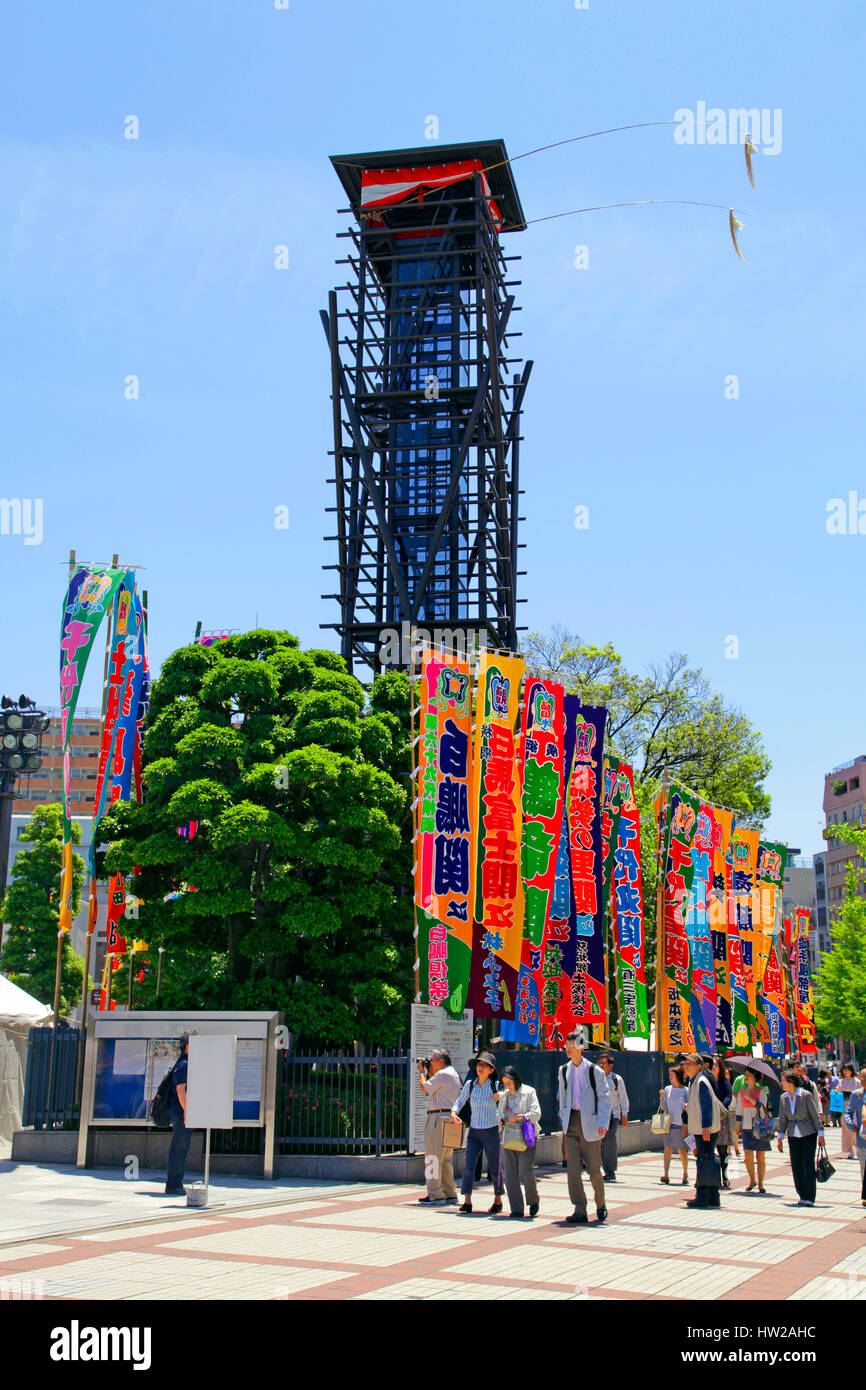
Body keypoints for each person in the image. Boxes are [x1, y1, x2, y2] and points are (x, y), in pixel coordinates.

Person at [557, 1031, 611, 1225]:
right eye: (566, 1044)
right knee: (572, 1168)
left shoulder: (594, 1070)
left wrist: (603, 1123)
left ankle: (600, 1203)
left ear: (581, 1047)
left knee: (594, 1169)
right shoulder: (563, 1070)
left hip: (590, 1123)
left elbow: (605, 1098)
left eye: (571, 1044)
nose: (568, 1047)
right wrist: (563, 1118)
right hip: (571, 1120)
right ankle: (579, 1208)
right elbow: (562, 1096)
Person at [451, 1052, 504, 1214]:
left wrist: (500, 1098)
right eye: (478, 1065)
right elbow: (460, 1101)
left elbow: (508, 1102)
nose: (480, 1068)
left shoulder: (496, 1085)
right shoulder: (470, 1084)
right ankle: (467, 1200)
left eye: (484, 1066)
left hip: (492, 1131)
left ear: (491, 1070)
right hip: (474, 1131)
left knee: (495, 1167)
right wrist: (453, 1113)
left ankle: (498, 1199)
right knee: (469, 1166)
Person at [496, 1066, 542, 1219]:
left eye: (509, 1082)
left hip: (526, 1136)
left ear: (516, 1079)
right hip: (509, 1136)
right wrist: (502, 1120)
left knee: (525, 1170)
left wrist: (521, 1117)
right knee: (509, 1174)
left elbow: (536, 1113)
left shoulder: (529, 1092)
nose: (507, 1086)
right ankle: (516, 1207)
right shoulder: (505, 1095)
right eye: (505, 1083)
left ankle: (533, 1199)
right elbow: (499, 1114)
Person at [417, 1050, 461, 1205]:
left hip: (438, 1118)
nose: (431, 1061)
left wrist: (421, 1072)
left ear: (441, 1061)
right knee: (445, 1159)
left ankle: (434, 1194)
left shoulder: (443, 1074)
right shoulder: (452, 1073)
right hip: (449, 1117)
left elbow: (424, 1088)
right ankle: (449, 1192)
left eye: (433, 1059)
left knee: (432, 1158)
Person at [776, 1067, 824, 1207]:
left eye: (783, 1080)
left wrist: (821, 1133)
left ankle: (810, 1196)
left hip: (808, 1133)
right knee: (796, 1165)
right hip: (792, 1134)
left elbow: (815, 1115)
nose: (782, 1083)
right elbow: (783, 1119)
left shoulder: (806, 1095)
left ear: (791, 1081)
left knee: (807, 1164)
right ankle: (802, 1194)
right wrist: (780, 1137)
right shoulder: (783, 1098)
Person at [683, 1053, 722, 1208]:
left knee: (704, 1161)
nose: (686, 1066)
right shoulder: (695, 1081)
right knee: (708, 1160)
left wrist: (706, 1127)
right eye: (685, 1063)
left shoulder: (700, 1082)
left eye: (690, 1063)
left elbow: (706, 1107)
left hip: (705, 1129)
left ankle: (702, 1195)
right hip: (702, 1128)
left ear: (698, 1066)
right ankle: (713, 1195)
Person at [736, 1065, 772, 1193]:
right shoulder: (741, 1092)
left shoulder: (762, 1091)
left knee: (760, 1155)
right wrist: (737, 1126)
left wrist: (750, 1099)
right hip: (746, 1122)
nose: (746, 1077)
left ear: (754, 1077)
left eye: (749, 1075)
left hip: (759, 1122)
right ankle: (752, 1179)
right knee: (748, 1154)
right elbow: (739, 1110)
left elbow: (763, 1109)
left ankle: (761, 1183)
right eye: (745, 1075)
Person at [164, 1033, 192, 1197]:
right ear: (188, 1047)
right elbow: (180, 1089)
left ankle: (175, 1182)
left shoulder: (183, 1063)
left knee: (181, 1146)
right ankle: (173, 1183)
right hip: (181, 1112)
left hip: (181, 1111)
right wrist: (187, 1112)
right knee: (179, 1147)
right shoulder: (184, 1064)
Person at [598, 1051, 629, 1181]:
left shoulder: (617, 1079)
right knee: (598, 1143)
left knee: (609, 1142)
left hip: (612, 1115)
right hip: (598, 1115)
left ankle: (610, 1170)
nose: (600, 1065)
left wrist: (624, 1114)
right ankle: (596, 1168)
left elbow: (623, 1098)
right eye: (599, 1063)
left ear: (611, 1065)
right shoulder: (595, 1078)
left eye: (603, 1063)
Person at [658, 1065, 690, 1186]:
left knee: (682, 1150)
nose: (671, 1077)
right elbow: (663, 1107)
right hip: (669, 1123)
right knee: (667, 1149)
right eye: (670, 1075)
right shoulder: (667, 1089)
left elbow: (688, 1108)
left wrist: (686, 1125)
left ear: (678, 1076)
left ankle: (685, 1173)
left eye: (673, 1075)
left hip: (680, 1124)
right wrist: (662, 1097)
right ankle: (666, 1174)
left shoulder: (685, 1091)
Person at [712, 1057, 738, 1189]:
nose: (713, 1067)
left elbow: (729, 1096)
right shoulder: (708, 1081)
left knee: (722, 1150)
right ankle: (710, 1177)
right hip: (710, 1117)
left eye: (716, 1065)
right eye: (712, 1065)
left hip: (722, 1117)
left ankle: (725, 1176)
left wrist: (721, 1106)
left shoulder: (724, 1082)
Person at [844, 1068, 866, 1206]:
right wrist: (852, 1126)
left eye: (864, 1077)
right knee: (864, 1167)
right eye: (861, 1077)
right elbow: (848, 1112)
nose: (862, 1079)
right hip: (863, 1138)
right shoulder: (856, 1095)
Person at [839, 1064, 859, 1158]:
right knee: (846, 1129)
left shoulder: (857, 1081)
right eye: (844, 1070)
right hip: (843, 1106)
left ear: (851, 1071)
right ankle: (849, 1150)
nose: (845, 1072)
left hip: (854, 1106)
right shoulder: (841, 1082)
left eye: (847, 1070)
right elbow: (837, 1092)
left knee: (856, 1127)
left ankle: (858, 1148)